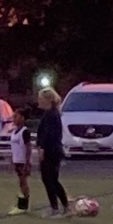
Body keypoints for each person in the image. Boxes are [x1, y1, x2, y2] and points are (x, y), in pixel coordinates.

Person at [35, 87, 70, 217]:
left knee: (50, 179)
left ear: (47, 99)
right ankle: (60, 207)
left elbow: (49, 134)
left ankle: (59, 207)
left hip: (52, 152)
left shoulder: (52, 115)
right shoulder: (49, 114)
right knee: (50, 179)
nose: (38, 101)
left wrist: (42, 148)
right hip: (52, 151)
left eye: (40, 98)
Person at [8, 116, 32, 215]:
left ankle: (23, 205)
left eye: (16, 116)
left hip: (22, 161)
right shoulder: (14, 131)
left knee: (23, 182)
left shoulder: (25, 131)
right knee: (21, 182)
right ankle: (22, 204)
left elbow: (28, 147)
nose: (14, 118)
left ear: (22, 118)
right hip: (17, 160)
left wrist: (27, 162)